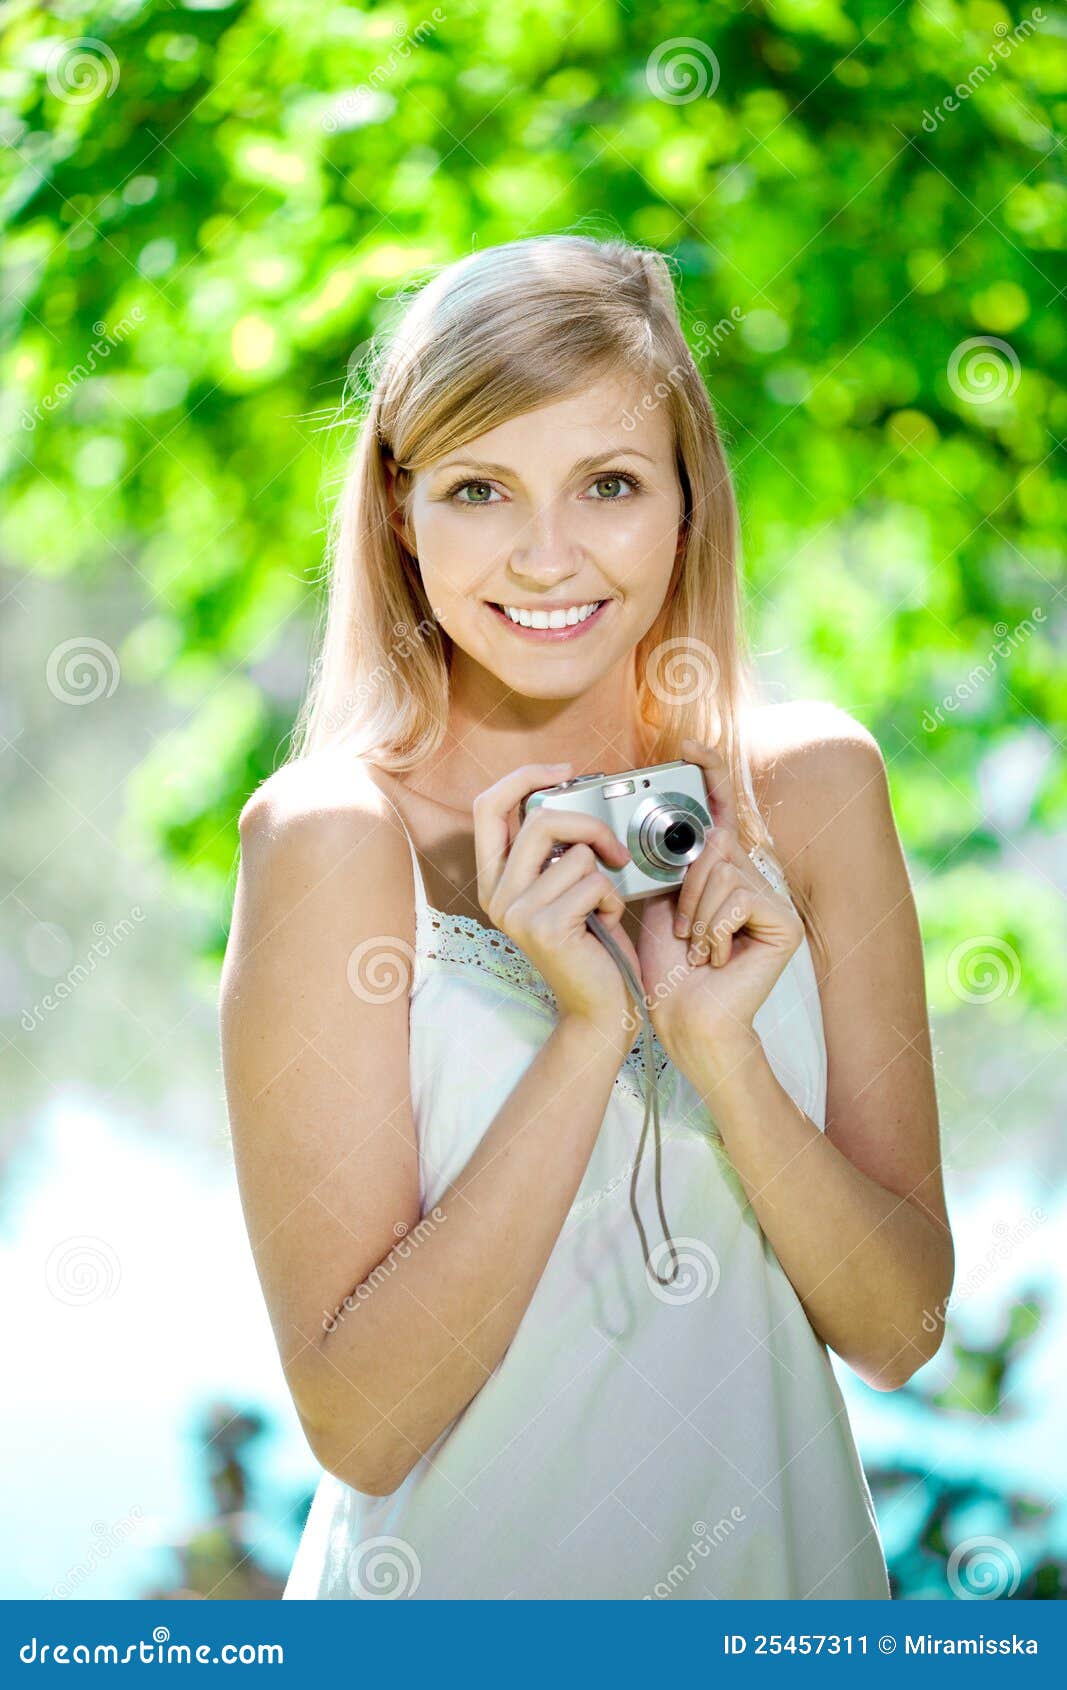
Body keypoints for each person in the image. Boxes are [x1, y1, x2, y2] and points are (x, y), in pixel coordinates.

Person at [219, 234, 954, 1600]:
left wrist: (719, 1051)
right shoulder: (335, 843)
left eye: (607, 483)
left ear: (687, 501)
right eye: (481, 489)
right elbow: (364, 1423)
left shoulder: (814, 790)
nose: (545, 557)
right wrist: (586, 1035)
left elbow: (902, 1326)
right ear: (401, 511)